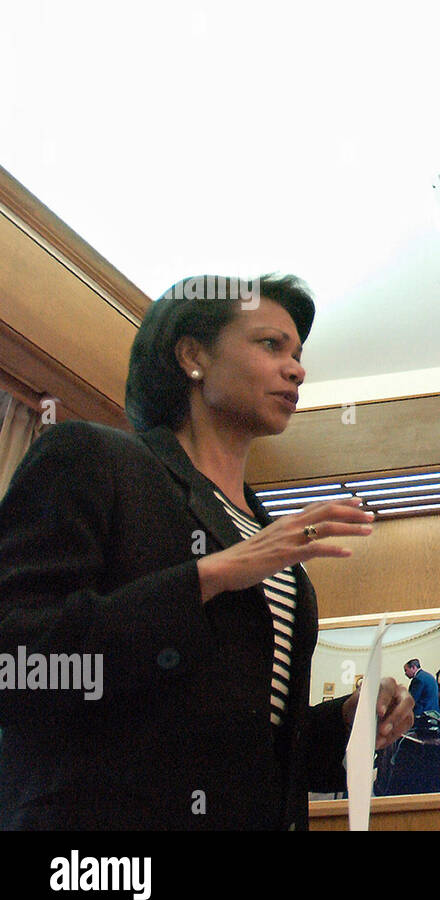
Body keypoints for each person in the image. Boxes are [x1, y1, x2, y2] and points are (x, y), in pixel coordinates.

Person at [0, 274, 413, 830]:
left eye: (297, 354)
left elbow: (259, 743)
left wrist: (347, 722)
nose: (297, 369)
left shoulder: (269, 535)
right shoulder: (93, 458)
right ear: (192, 355)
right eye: (271, 345)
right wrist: (211, 574)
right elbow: (19, 663)